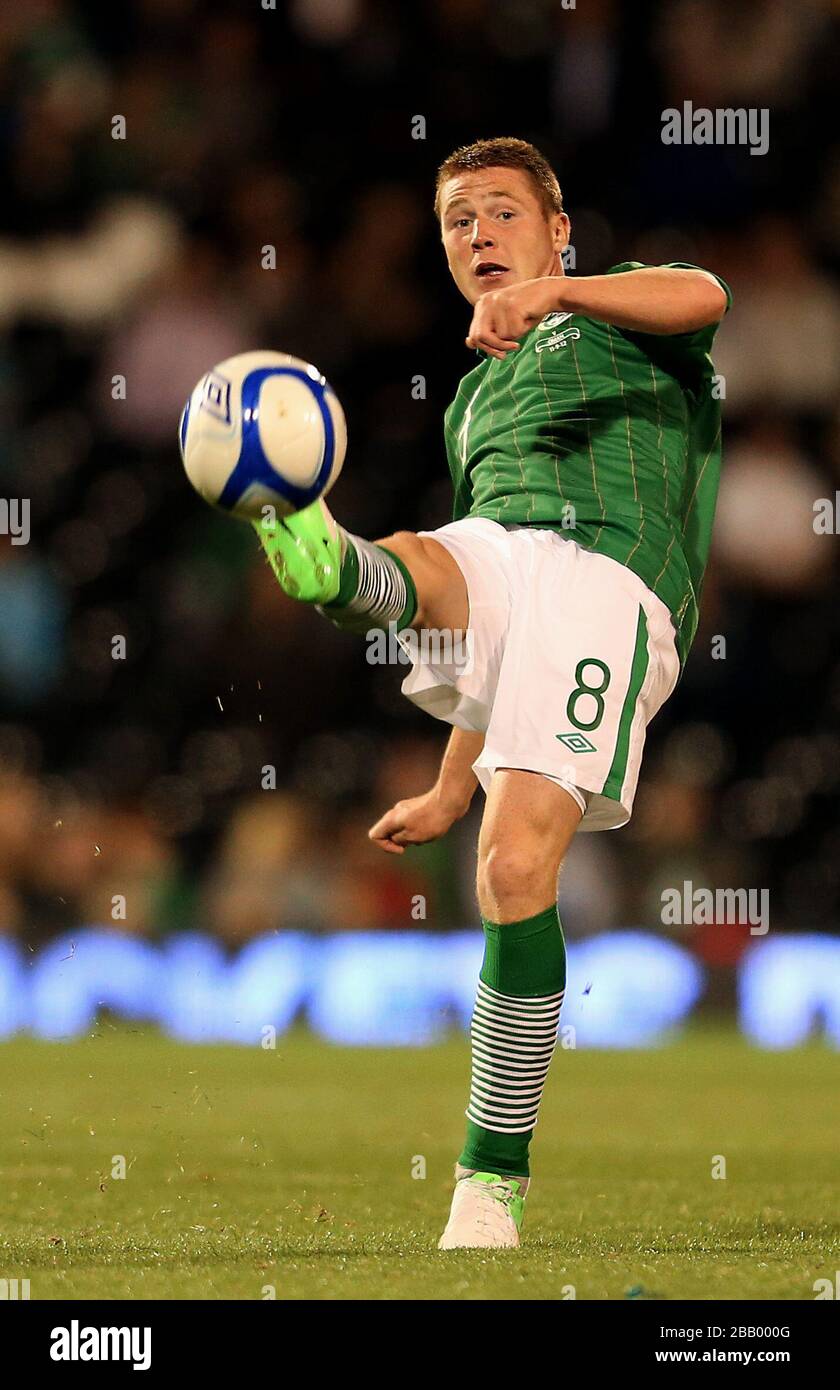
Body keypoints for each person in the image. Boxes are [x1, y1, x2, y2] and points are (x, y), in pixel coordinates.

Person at [253, 136, 731, 1249]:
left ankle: (491, 1178)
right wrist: (449, 779)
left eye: (502, 213)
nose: (480, 235)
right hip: (506, 557)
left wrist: (559, 291)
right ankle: (340, 568)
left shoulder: (624, 312)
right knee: (435, 554)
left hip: (613, 574)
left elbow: (706, 291)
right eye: (459, 221)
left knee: (516, 870)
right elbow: (493, 629)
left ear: (558, 231)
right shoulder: (469, 402)